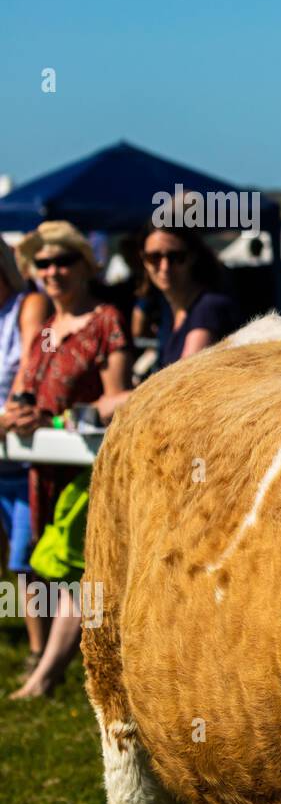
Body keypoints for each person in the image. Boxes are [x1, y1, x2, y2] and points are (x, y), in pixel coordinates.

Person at [9, 221, 131, 700]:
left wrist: (55, 419)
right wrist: (17, 413)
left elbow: (115, 399)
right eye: (43, 263)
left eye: (63, 261)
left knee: (82, 570)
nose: (53, 271)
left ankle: (56, 675)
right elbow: (27, 387)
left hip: (84, 467)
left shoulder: (106, 321)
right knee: (47, 566)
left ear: (86, 266)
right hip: (41, 465)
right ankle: (61, 666)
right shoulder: (43, 330)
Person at [0, 241, 52, 681]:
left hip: (24, 447)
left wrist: (9, 411)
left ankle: (40, 653)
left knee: (24, 558)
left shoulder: (27, 304)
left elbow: (28, 365)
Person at [139, 224, 241, 371]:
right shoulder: (171, 310)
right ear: (143, 259)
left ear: (192, 257)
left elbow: (184, 381)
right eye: (154, 257)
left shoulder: (208, 308)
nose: (164, 267)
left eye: (176, 257)